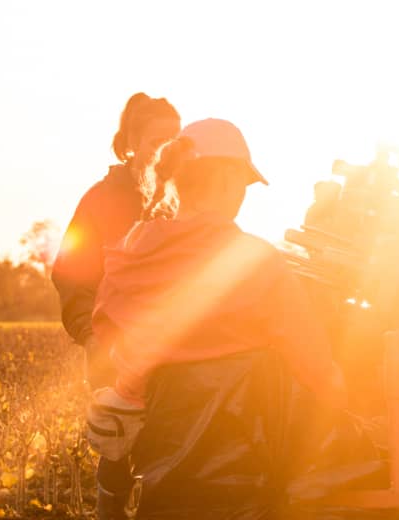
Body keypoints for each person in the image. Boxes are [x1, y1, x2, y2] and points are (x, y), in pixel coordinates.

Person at [91, 118, 348, 519]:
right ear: (229, 182)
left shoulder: (126, 258)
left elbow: (108, 360)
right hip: (249, 487)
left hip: (159, 484)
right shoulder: (256, 264)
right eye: (243, 186)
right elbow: (320, 373)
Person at [51, 93, 180, 519]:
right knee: (117, 446)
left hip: (173, 347)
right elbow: (71, 273)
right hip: (112, 345)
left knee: (171, 446)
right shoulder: (101, 199)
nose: (164, 151)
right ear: (131, 142)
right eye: (155, 140)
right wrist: (89, 335)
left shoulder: (184, 201)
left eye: (174, 140)